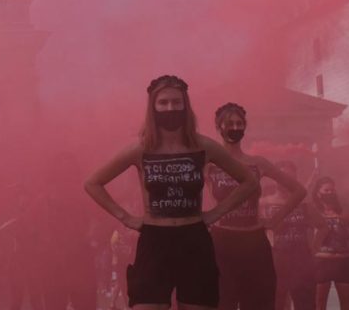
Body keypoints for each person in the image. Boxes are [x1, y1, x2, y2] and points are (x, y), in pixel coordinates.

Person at [83, 75, 259, 310]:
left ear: (185, 105)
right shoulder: (141, 148)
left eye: (176, 102)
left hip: (194, 239)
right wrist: (125, 218)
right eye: (163, 103)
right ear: (153, 108)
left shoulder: (203, 146)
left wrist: (216, 213)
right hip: (154, 240)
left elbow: (249, 181)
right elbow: (93, 183)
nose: (170, 108)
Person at [207, 102, 307, 310]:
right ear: (218, 127)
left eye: (239, 123)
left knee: (259, 302)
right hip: (222, 242)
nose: (235, 127)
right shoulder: (209, 164)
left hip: (254, 241)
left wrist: (274, 220)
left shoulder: (258, 163)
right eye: (229, 123)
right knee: (222, 302)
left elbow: (299, 191)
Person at [261, 161, 321, 310]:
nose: (288, 180)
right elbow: (255, 228)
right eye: (284, 176)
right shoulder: (264, 203)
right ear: (275, 178)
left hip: (302, 259)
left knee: (305, 303)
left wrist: (313, 250)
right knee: (276, 301)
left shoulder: (304, 203)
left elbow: (322, 227)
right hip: (276, 260)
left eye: (291, 176)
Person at [309, 177, 349, 310]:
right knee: (319, 303)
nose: (330, 193)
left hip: (342, 262)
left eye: (332, 190)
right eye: (326, 190)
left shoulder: (344, 214)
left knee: (347, 303)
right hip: (321, 262)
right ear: (318, 193)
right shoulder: (314, 213)